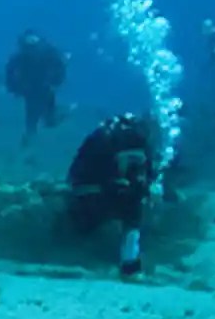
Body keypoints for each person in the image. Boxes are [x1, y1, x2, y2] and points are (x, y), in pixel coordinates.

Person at [65, 113, 158, 278]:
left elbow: (147, 176)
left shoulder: (130, 144)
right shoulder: (104, 143)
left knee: (134, 205)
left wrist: (142, 186)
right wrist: (110, 184)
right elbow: (79, 178)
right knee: (85, 224)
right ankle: (126, 262)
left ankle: (129, 261)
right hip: (92, 193)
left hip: (103, 192)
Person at [4, 29, 67, 146]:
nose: (31, 49)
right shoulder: (21, 57)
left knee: (45, 118)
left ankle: (37, 140)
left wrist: (54, 81)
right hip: (31, 90)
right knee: (32, 120)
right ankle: (32, 143)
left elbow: (60, 68)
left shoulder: (48, 54)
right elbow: (10, 73)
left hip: (42, 88)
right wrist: (15, 88)